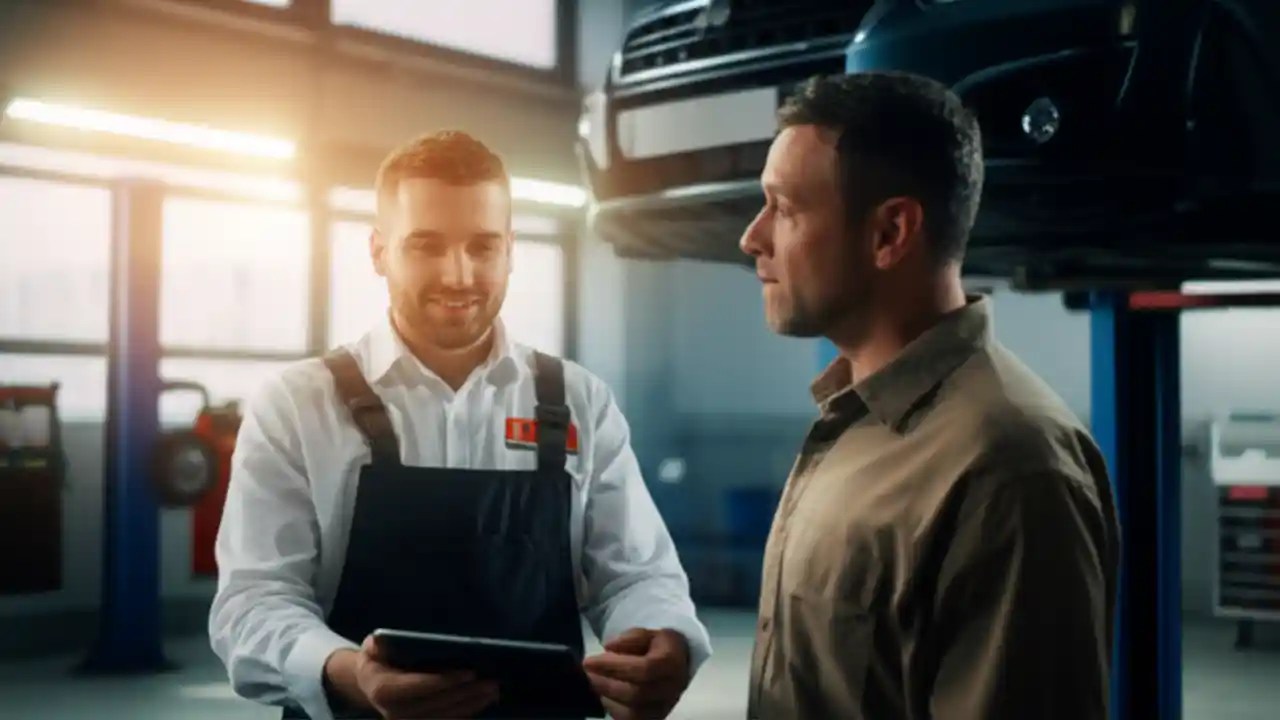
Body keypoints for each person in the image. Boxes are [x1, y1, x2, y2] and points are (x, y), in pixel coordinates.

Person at [209, 130, 710, 720]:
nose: (459, 274)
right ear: (377, 251)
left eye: (483, 246)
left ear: (511, 249)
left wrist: (662, 640)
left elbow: (636, 575)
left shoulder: (578, 401)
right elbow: (254, 601)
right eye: (426, 245)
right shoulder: (297, 405)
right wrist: (350, 673)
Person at [738, 72, 1120, 719]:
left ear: (890, 233)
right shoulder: (853, 420)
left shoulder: (1009, 470)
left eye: (787, 208)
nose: (753, 237)